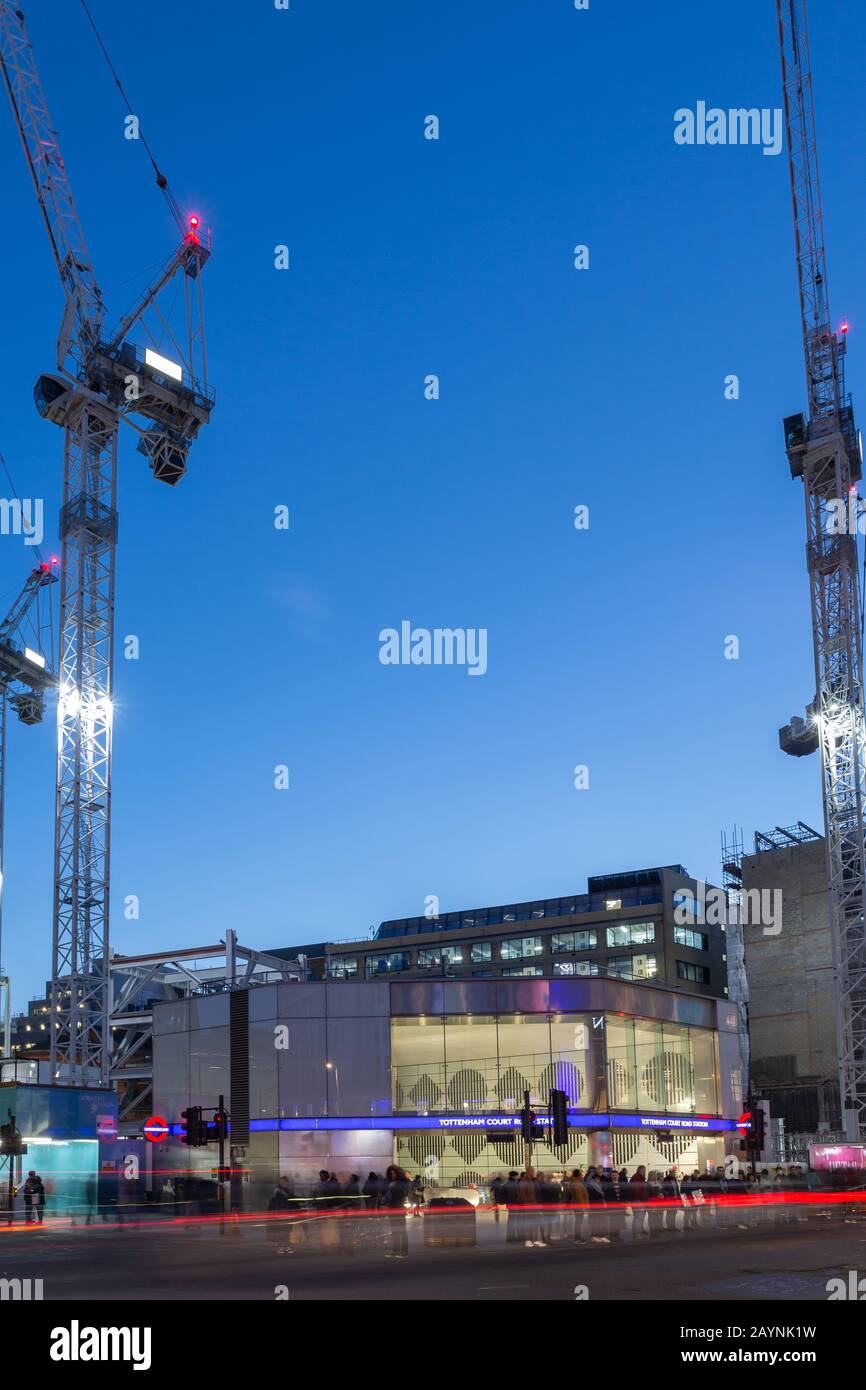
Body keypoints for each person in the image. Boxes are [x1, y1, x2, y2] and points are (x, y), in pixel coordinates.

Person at [383, 1164, 410, 1258]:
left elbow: (401, 1196)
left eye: (394, 1173)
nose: (392, 1175)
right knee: (395, 1231)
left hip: (398, 1209)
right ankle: (396, 1250)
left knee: (401, 1231)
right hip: (393, 1209)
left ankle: (404, 1252)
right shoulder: (392, 1183)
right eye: (391, 1174)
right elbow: (389, 1196)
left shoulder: (402, 1183)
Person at [566, 1168, 589, 1244]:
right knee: (578, 1222)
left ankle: (577, 1237)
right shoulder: (576, 1184)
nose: (582, 1176)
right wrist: (583, 1207)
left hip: (577, 1205)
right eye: (581, 1174)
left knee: (578, 1222)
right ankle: (577, 1238)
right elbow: (579, 1196)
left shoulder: (576, 1182)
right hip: (579, 1206)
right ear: (578, 1175)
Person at [628, 1165, 649, 1240]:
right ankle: (637, 1235)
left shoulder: (637, 1177)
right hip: (638, 1201)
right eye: (644, 1171)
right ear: (640, 1170)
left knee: (637, 1218)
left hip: (637, 1200)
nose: (645, 1172)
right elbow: (637, 1190)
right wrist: (639, 1199)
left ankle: (636, 1234)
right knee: (638, 1219)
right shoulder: (637, 1178)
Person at [661, 1167, 681, 1234]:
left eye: (675, 1172)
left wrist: (679, 1197)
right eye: (673, 1172)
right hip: (670, 1199)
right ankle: (669, 1227)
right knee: (670, 1213)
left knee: (674, 1213)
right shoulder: (666, 1180)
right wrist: (667, 1196)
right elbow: (664, 1189)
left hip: (675, 1199)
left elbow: (676, 1189)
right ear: (670, 1173)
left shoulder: (674, 1179)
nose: (674, 1173)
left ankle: (673, 1226)